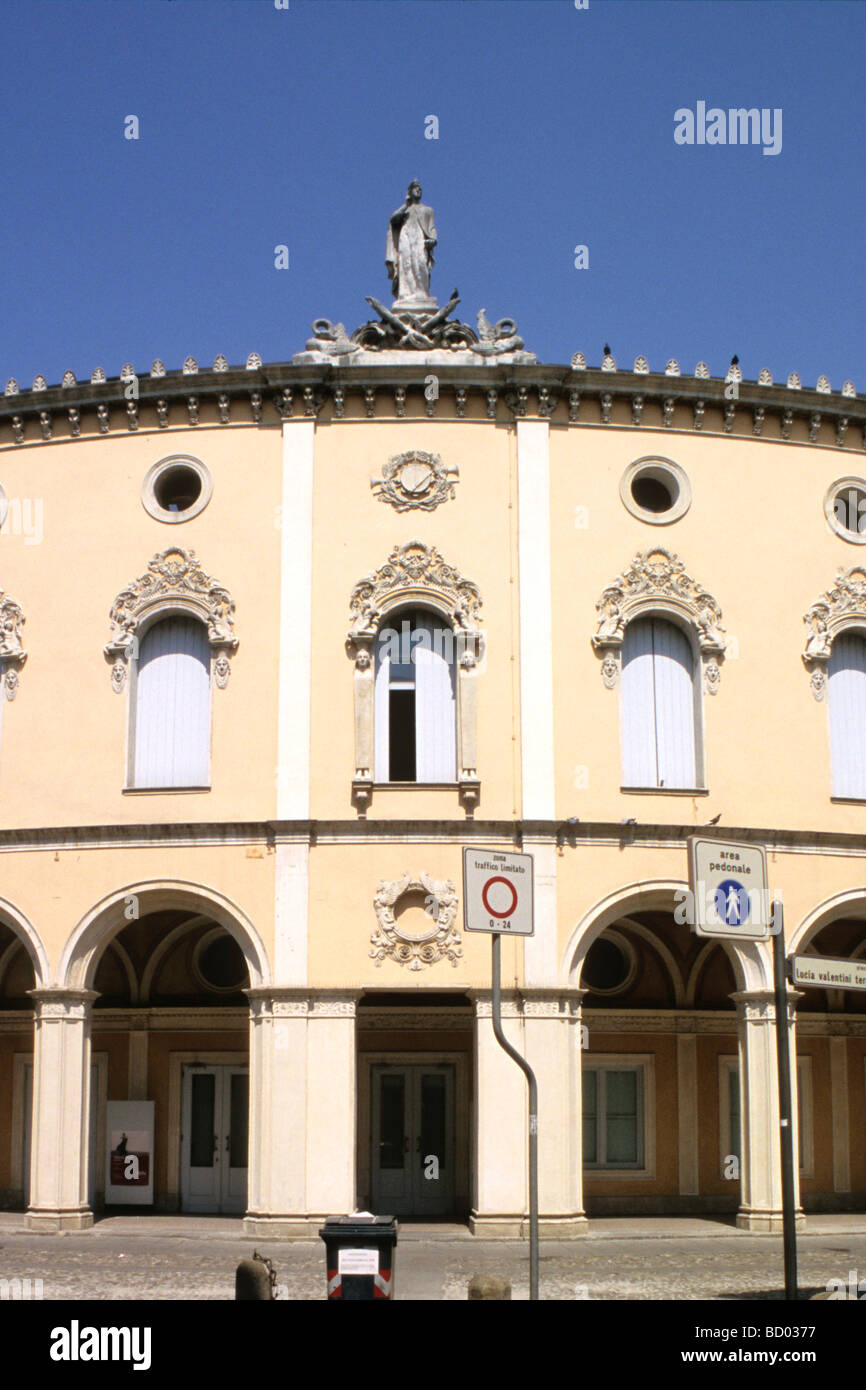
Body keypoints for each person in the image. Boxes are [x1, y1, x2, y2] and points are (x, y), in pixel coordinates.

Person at [385, 182, 437, 302]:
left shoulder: (427, 210)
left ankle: (422, 292)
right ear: (409, 192)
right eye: (415, 189)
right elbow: (393, 220)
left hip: (419, 238)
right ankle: (405, 292)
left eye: (420, 189)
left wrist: (433, 239)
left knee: (420, 262)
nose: (418, 191)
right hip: (406, 236)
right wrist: (405, 205)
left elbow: (432, 228)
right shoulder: (404, 209)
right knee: (406, 262)